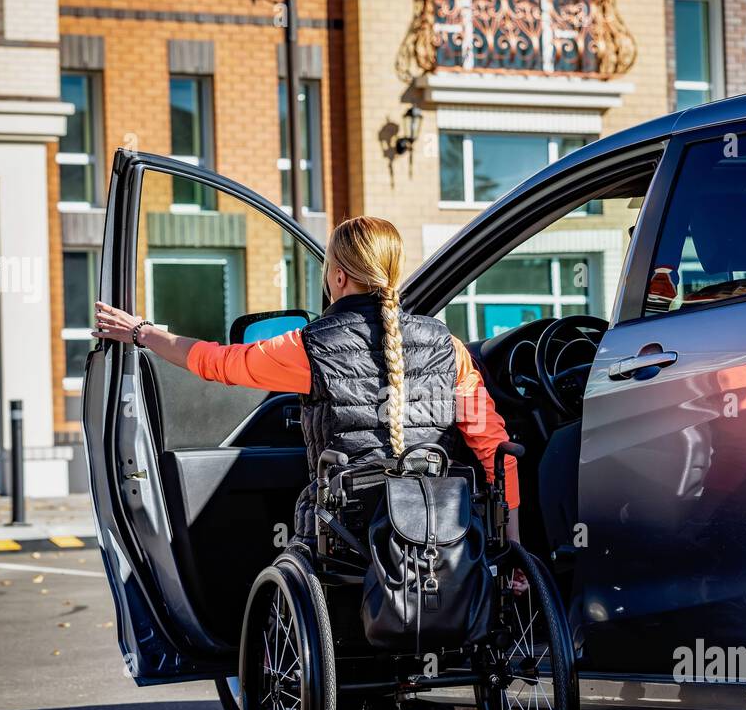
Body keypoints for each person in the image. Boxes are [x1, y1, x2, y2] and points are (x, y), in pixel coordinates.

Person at [91, 215, 520, 544]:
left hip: (349, 534)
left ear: (337, 276)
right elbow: (495, 449)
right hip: (447, 529)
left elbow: (215, 362)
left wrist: (141, 332)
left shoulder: (310, 346)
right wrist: (512, 545)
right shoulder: (450, 347)